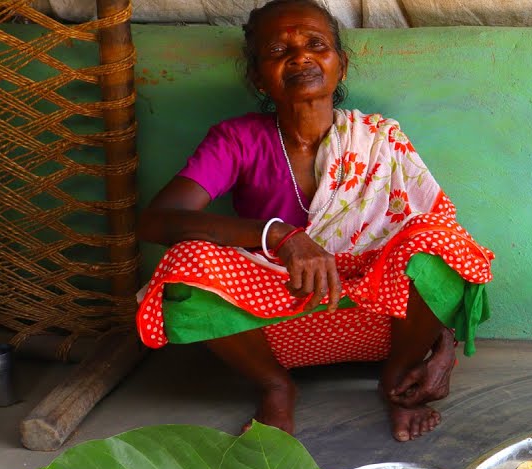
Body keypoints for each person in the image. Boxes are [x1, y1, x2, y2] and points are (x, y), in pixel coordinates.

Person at [136, 0, 494, 442]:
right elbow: (157, 222)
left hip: (375, 317)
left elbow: (438, 252)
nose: (300, 57)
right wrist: (277, 235)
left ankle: (398, 377)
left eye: (315, 44)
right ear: (258, 77)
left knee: (444, 241)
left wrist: (444, 344)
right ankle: (275, 386)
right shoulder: (237, 140)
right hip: (272, 321)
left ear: (341, 65)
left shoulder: (379, 137)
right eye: (278, 50)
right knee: (184, 263)